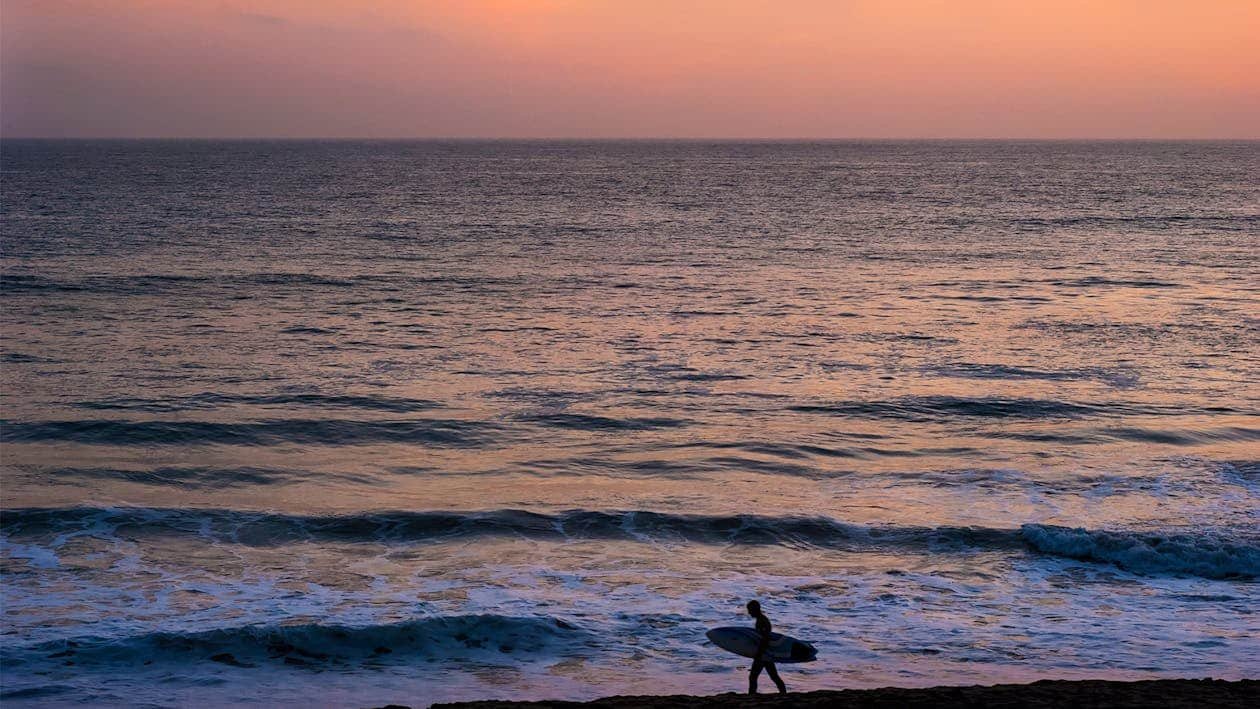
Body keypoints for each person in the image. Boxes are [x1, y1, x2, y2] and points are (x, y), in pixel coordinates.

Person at [746, 599, 787, 694]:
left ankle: (751, 695)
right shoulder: (761, 619)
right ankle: (783, 693)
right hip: (766, 653)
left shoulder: (762, 621)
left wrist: (759, 653)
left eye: (750, 610)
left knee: (753, 676)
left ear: (755, 609)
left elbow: (765, 638)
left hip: (763, 654)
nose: (749, 612)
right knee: (773, 676)